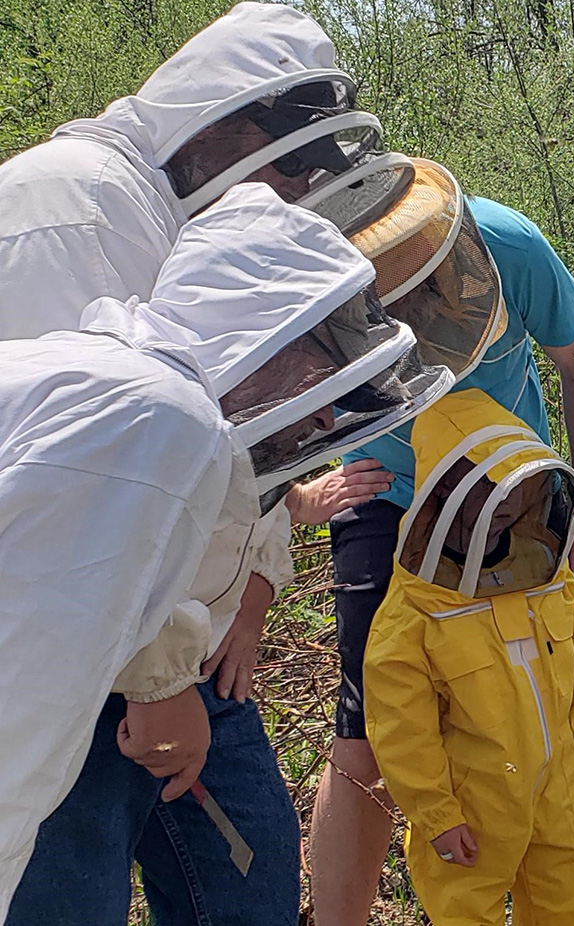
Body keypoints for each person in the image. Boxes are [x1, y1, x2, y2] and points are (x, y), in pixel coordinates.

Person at [0, 5, 379, 922]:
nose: (291, 196)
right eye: (287, 165)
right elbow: (82, 502)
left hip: (182, 648)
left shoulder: (159, 208)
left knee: (248, 884)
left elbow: (231, 446)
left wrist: (246, 594)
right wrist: (157, 680)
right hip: (107, 664)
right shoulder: (70, 204)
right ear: (221, 124)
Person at [296, 192, 574, 925]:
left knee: (536, 669)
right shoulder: (321, 269)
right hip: (386, 488)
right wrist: (304, 490)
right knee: (370, 732)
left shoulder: (514, 245)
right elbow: (261, 388)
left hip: (512, 488)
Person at [362, 388, 574, 925]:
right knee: (464, 912)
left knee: (562, 904)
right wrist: (436, 815)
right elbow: (402, 728)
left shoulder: (548, 577)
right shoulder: (413, 613)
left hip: (556, 792)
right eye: (488, 488)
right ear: (445, 488)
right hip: (473, 805)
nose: (504, 503)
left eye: (515, 488)